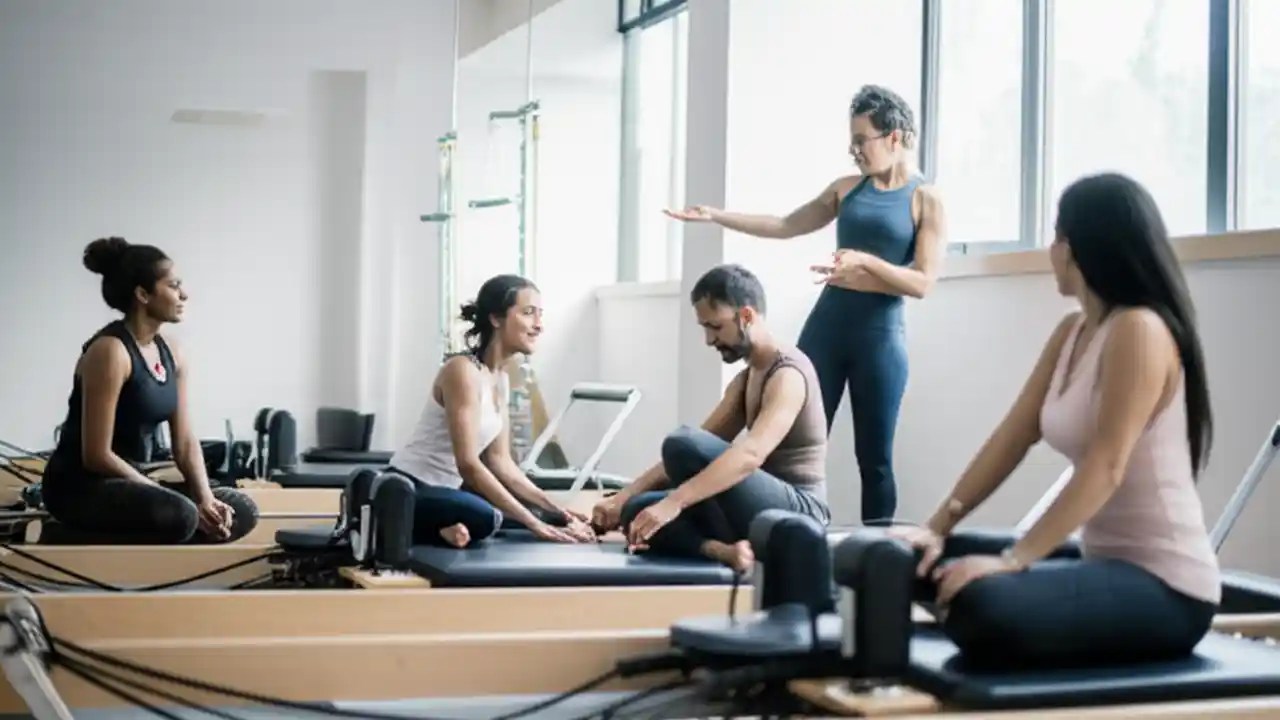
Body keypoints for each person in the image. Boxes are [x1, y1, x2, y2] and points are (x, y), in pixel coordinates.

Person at [891, 173, 1220, 668]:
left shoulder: (1139, 329)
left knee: (981, 601)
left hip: (1166, 586)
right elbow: (1014, 435)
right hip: (1102, 563)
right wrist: (937, 526)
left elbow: (1106, 466)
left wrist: (1013, 561)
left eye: (1057, 236)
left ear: (1080, 247)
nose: (1051, 249)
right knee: (905, 562)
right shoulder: (1073, 331)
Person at [665, 84, 947, 525]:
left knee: (875, 459)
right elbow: (784, 224)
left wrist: (867, 263)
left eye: (861, 141)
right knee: (782, 441)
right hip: (827, 329)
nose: (854, 151)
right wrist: (717, 216)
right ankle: (781, 533)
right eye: (851, 141)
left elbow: (924, 282)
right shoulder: (846, 189)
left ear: (894, 137)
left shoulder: (925, 198)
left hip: (880, 339)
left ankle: (878, 559)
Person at [590, 264, 831, 572]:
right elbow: (702, 449)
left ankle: (723, 541)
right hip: (752, 510)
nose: (708, 339)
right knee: (638, 511)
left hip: (801, 513)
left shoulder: (788, 375)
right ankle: (724, 551)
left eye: (715, 327)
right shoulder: (747, 379)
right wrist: (621, 499)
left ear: (746, 316)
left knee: (681, 444)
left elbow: (749, 455)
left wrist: (674, 502)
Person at [41, 237, 259, 544]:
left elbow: (183, 442)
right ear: (143, 294)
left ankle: (185, 523)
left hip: (134, 482)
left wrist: (207, 499)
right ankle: (67, 533)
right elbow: (96, 456)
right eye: (173, 285)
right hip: (82, 487)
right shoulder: (110, 352)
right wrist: (162, 494)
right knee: (181, 513)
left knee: (239, 509)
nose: (184, 294)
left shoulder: (174, 352)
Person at [385, 273, 597, 548]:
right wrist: (536, 524)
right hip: (410, 485)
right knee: (486, 516)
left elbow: (500, 462)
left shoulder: (501, 379)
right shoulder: (462, 371)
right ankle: (389, 511)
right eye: (528, 313)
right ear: (496, 319)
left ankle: (444, 528)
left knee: (519, 511)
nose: (538, 325)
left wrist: (558, 512)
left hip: (448, 491)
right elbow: (469, 465)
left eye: (540, 315)